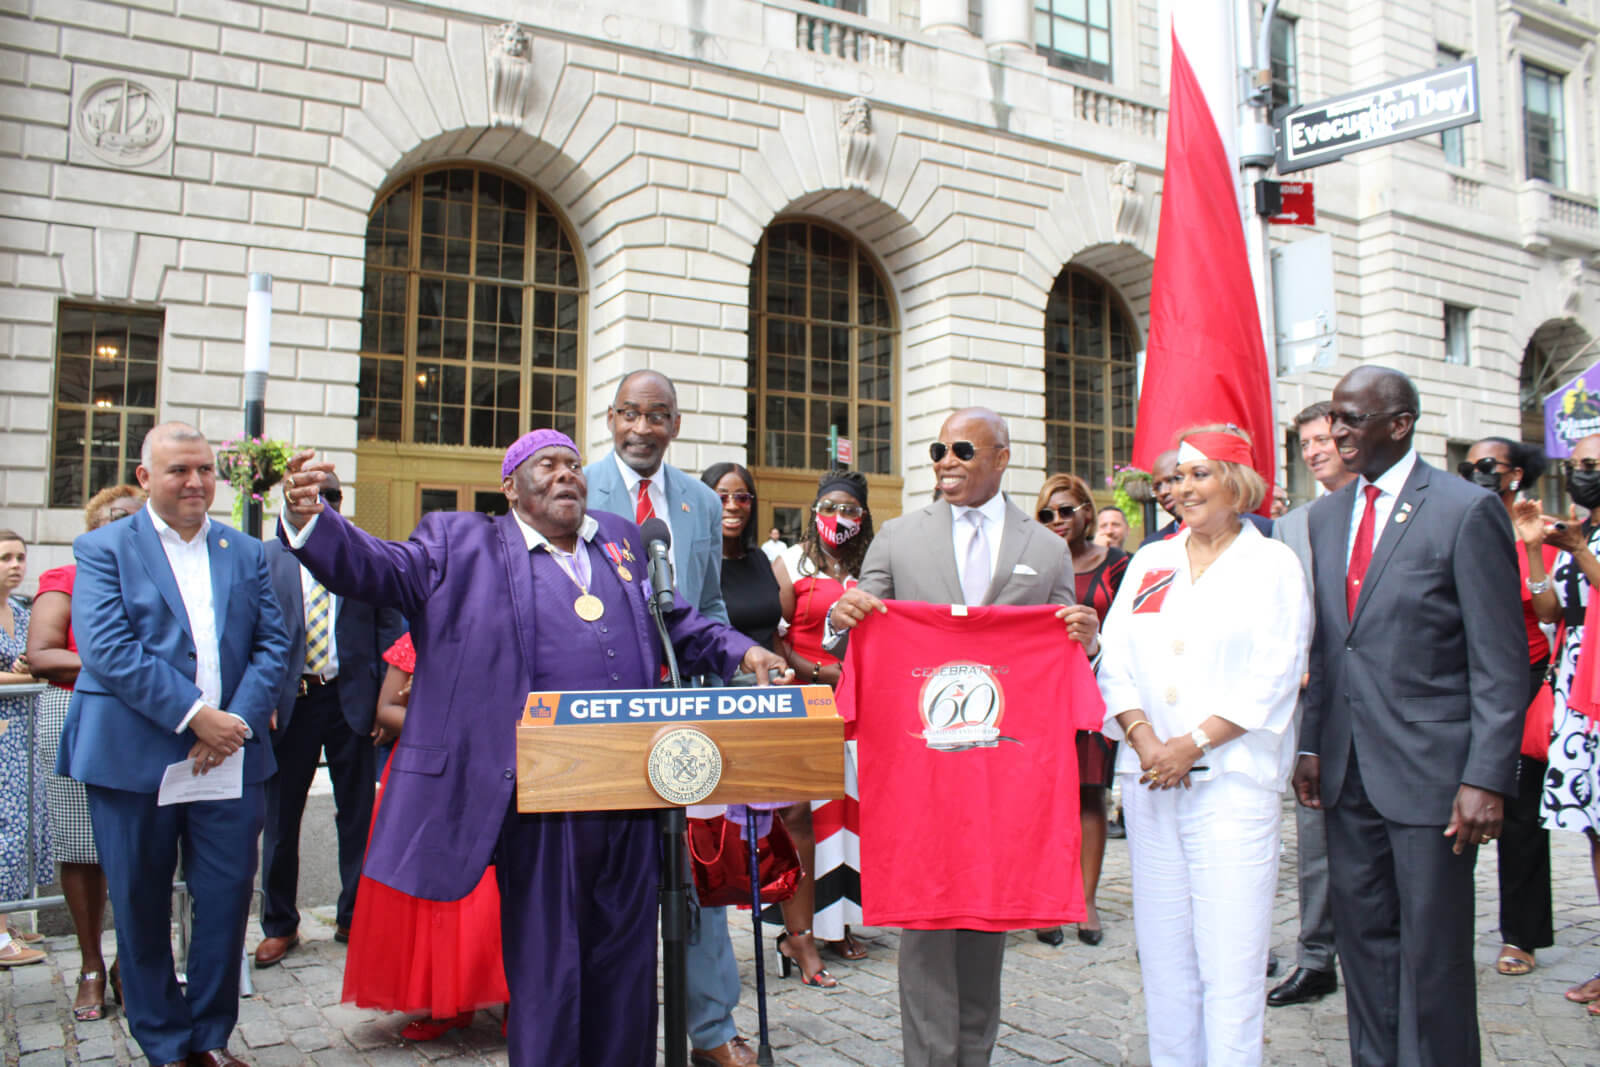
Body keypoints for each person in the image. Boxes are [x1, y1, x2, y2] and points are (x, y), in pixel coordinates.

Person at [277, 429, 789, 1067]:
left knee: (627, 961)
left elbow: (675, 621)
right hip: (538, 798)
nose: (567, 475)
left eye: (574, 465)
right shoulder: (460, 543)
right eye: (546, 465)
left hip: (631, 791)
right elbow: (378, 568)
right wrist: (310, 522)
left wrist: (745, 650)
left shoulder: (621, 540)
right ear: (510, 486)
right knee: (550, 963)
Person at [826, 407, 1101, 1066]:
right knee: (926, 921)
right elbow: (858, 626)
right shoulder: (897, 537)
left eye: (961, 450)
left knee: (989, 915)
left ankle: (973, 1056)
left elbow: (1063, 649)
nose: (945, 461)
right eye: (937, 450)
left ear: (1001, 457)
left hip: (1006, 774)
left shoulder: (1043, 546)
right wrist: (843, 617)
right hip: (921, 771)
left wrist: (1086, 640)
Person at [1295, 367, 1525, 1066]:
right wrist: (1311, 744)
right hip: (1347, 771)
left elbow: (1499, 660)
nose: (1336, 432)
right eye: (1332, 417)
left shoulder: (1461, 509)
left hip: (1433, 777)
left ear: (1399, 424)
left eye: (1351, 420)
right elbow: (1331, 644)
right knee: (1364, 945)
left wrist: (1486, 775)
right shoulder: (1326, 514)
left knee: (1434, 952)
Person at [58, 422, 292, 1067]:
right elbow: (107, 651)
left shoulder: (244, 551)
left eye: (204, 471)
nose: (194, 482)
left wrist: (233, 724)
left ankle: (211, 1039)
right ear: (144, 478)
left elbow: (275, 646)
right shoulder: (102, 548)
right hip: (135, 760)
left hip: (232, 760)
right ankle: (165, 1044)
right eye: (178, 471)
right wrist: (196, 717)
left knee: (223, 904)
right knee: (139, 902)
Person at [1098, 425, 1310, 1065]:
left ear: (1237, 483)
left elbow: (1274, 676)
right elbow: (1115, 661)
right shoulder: (1151, 561)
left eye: (1199, 474)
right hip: (1151, 783)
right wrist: (1143, 737)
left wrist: (1190, 744)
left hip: (1231, 786)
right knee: (1165, 958)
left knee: (1232, 962)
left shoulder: (1272, 564)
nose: (1182, 489)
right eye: (1177, 477)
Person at [582, 370, 755, 1067]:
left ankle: (711, 1026)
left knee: (698, 869)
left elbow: (708, 604)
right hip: (607, 715)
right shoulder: (576, 487)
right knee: (611, 877)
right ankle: (610, 1025)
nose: (642, 428)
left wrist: (728, 672)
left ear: (675, 425)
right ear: (611, 418)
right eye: (630, 413)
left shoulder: (697, 503)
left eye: (658, 416)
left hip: (688, 710)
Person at [256, 471, 406, 968]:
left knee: (359, 816)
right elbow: (252, 636)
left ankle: (354, 915)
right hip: (290, 705)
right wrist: (261, 705)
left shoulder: (361, 554)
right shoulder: (267, 558)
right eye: (317, 496)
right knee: (280, 821)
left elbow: (392, 633)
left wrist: (386, 704)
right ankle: (280, 925)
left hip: (354, 702)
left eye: (334, 497)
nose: (326, 504)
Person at [342, 632, 508, 1040]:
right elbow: (386, 711)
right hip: (431, 772)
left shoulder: (513, 625)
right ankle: (443, 1001)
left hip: (495, 767)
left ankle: (515, 999)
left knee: (499, 891)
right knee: (434, 888)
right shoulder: (420, 635)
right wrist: (446, 724)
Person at [25, 485, 144, 1008]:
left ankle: (131, 964)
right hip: (77, 713)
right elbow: (44, 654)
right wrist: (124, 664)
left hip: (147, 719)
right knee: (81, 847)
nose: (124, 524)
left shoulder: (157, 581)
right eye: (114, 516)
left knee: (146, 845)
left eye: (135, 518)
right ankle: (92, 965)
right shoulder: (67, 578)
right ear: (94, 526)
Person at [771, 469, 876, 984]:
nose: (841, 517)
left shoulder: (874, 565)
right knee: (808, 820)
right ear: (815, 510)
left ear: (864, 516)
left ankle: (844, 923)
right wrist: (816, 672)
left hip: (861, 708)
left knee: (852, 818)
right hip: (806, 702)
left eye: (852, 509)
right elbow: (773, 637)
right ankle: (803, 928)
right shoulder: (791, 561)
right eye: (832, 506)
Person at [1266, 403, 1355, 1009]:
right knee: (1315, 831)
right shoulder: (1291, 525)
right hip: (1313, 700)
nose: (1315, 450)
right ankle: (1316, 957)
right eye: (1305, 443)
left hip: (1379, 698)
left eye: (1323, 438)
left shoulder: (1389, 511)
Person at [1462, 437, 1553, 978]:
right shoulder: (1454, 521)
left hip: (1524, 678)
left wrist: (1534, 547)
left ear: (1514, 474)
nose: (1476, 473)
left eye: (1487, 466)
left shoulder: (1532, 531)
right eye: (1467, 465)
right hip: (1462, 682)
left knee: (1520, 813)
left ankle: (1521, 935)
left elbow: (1552, 610)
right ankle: (1443, 926)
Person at [1518, 434, 1600, 1013]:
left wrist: (1583, 554)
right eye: (1575, 467)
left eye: (1592, 465)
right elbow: (1552, 612)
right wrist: (1534, 552)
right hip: (1579, 686)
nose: (1581, 475)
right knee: (1597, 835)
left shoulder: (1584, 540)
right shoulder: (1579, 530)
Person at [1034, 474, 1127, 948]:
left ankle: (1086, 901)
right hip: (1041, 697)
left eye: (1066, 510)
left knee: (1091, 795)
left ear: (1087, 512)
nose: (1056, 521)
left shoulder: (1117, 565)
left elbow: (1131, 629)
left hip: (1096, 691)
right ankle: (1049, 899)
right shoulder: (1030, 564)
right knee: (1047, 801)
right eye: (1046, 514)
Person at [0, 528, 49, 967]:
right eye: (5, 559)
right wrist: (28, 676)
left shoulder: (20, 609)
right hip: (1, 734)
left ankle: (5, 918)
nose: (16, 565)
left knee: (25, 828)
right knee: (5, 831)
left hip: (23, 733)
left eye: (20, 557)